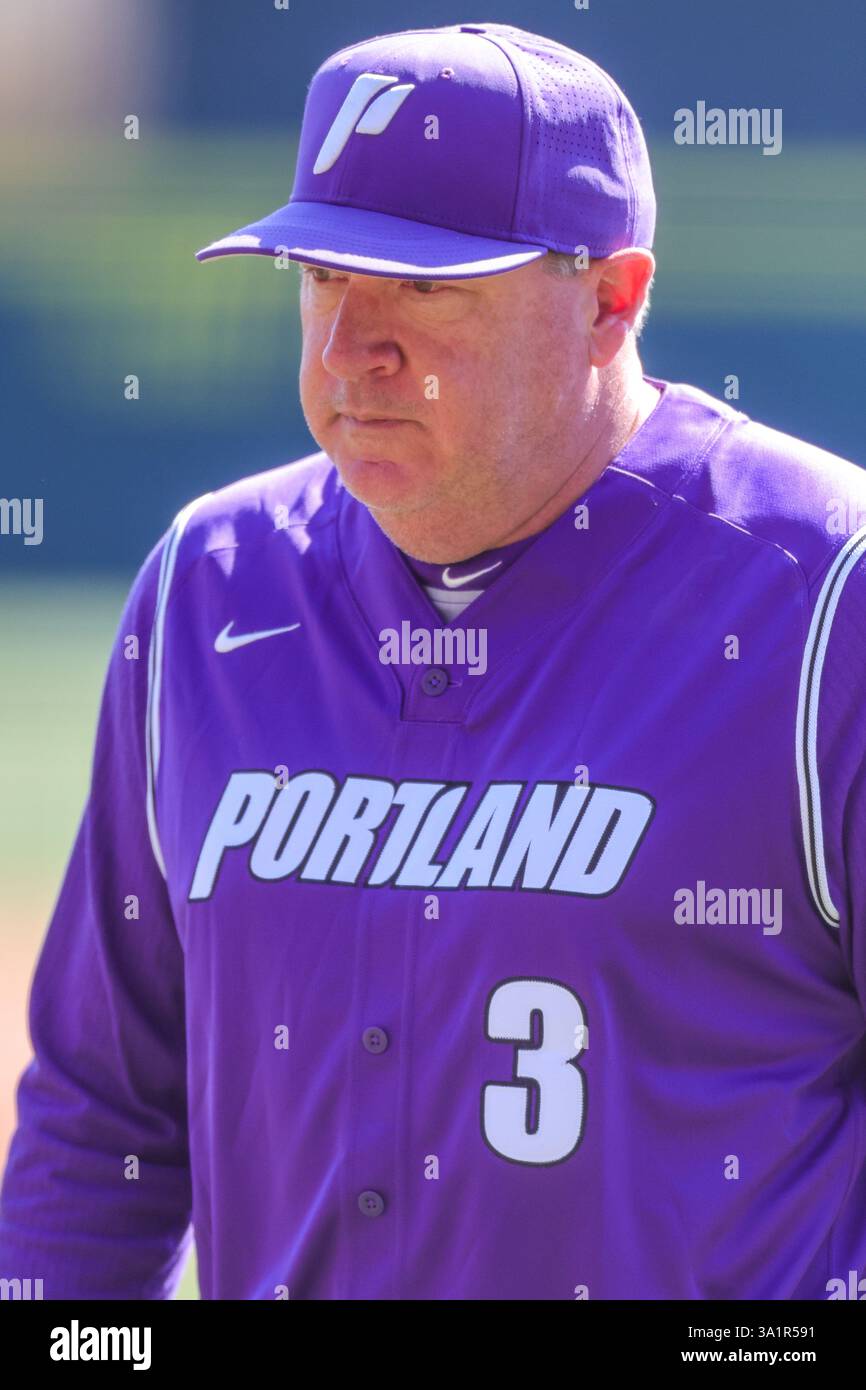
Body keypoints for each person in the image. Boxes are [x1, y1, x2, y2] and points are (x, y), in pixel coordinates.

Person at [1, 21, 865, 1301]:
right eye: (318, 277)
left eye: (426, 286)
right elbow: (105, 1129)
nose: (352, 350)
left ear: (610, 299)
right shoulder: (211, 584)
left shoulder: (821, 601)